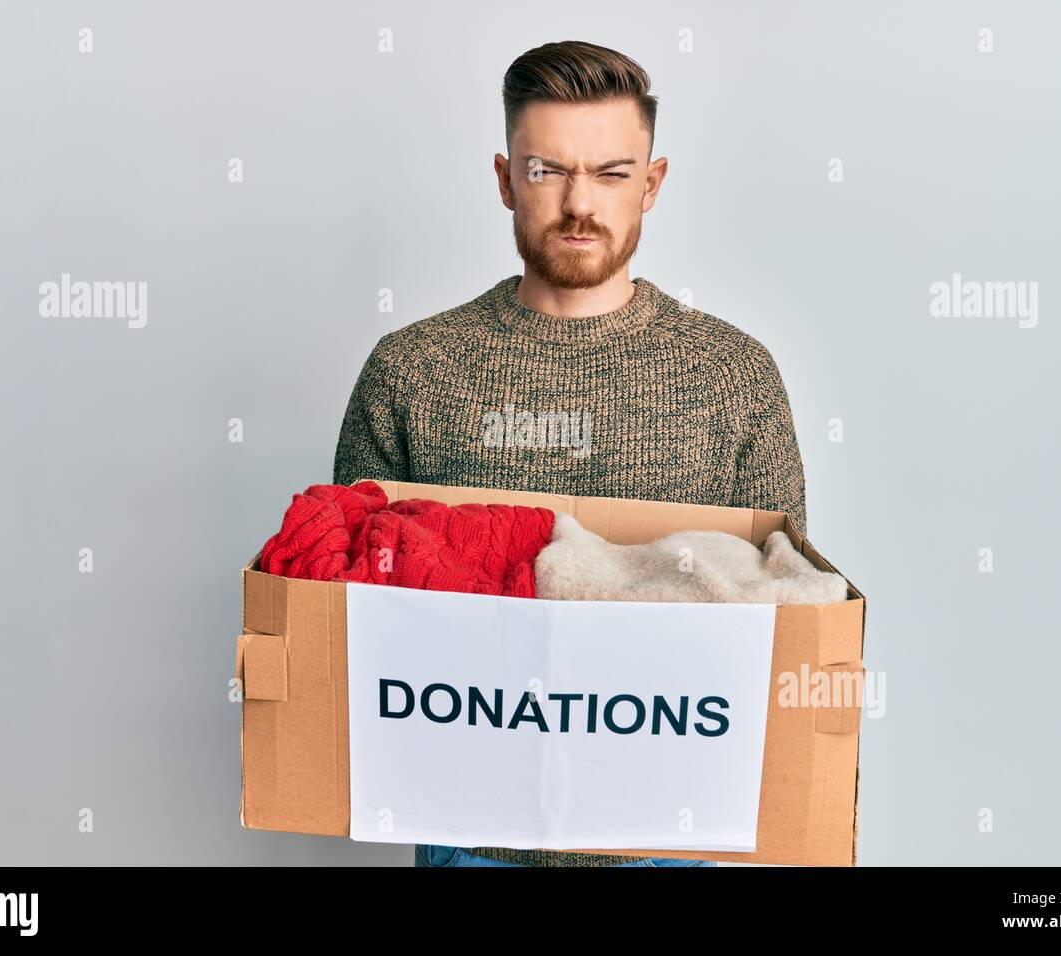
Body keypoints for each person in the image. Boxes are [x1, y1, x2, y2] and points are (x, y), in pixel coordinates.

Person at [333, 40, 806, 868]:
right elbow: (345, 615)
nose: (579, 204)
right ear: (505, 178)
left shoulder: (734, 375)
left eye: (613, 173)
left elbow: (789, 621)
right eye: (548, 169)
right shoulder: (412, 370)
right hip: (471, 838)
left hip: (674, 841)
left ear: (652, 184)